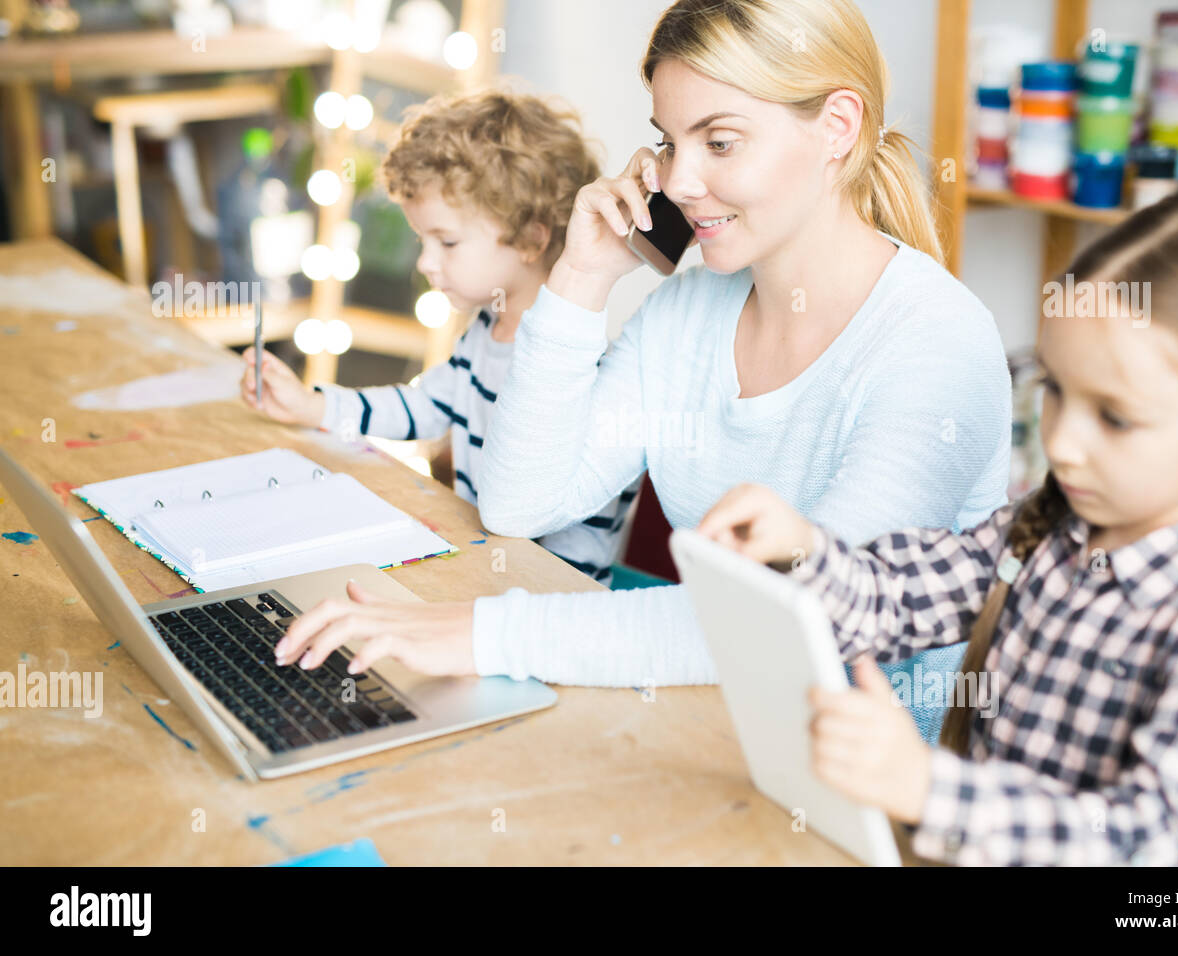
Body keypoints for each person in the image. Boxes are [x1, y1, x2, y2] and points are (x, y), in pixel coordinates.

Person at [275, 0, 1011, 747]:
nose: (681, 181)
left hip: (855, 791)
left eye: (719, 142)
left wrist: (482, 633)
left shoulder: (936, 345)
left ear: (838, 127)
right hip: (705, 719)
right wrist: (582, 276)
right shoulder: (684, 315)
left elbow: (791, 625)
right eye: (667, 142)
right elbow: (520, 503)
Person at [700, 189, 1178, 865]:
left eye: (1115, 417)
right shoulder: (1049, 527)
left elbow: (1146, 841)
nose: (1064, 444)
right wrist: (801, 548)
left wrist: (929, 789)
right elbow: (895, 598)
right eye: (1056, 390)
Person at [239, 89, 639, 586]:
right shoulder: (484, 332)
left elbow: (571, 546)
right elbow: (426, 406)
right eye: (422, 241)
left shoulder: (578, 365)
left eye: (447, 242)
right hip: (483, 572)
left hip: (546, 599)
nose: (426, 262)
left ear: (532, 239)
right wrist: (315, 408)